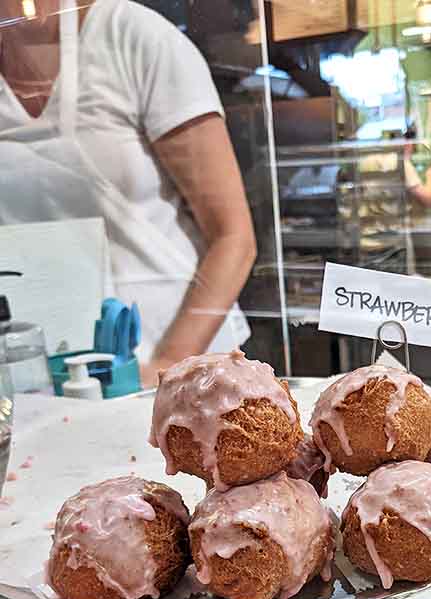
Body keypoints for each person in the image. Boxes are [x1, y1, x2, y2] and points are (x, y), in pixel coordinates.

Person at [0, 0, 257, 386]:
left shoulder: (133, 36)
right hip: (38, 378)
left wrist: (166, 366)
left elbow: (234, 237)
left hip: (179, 371)